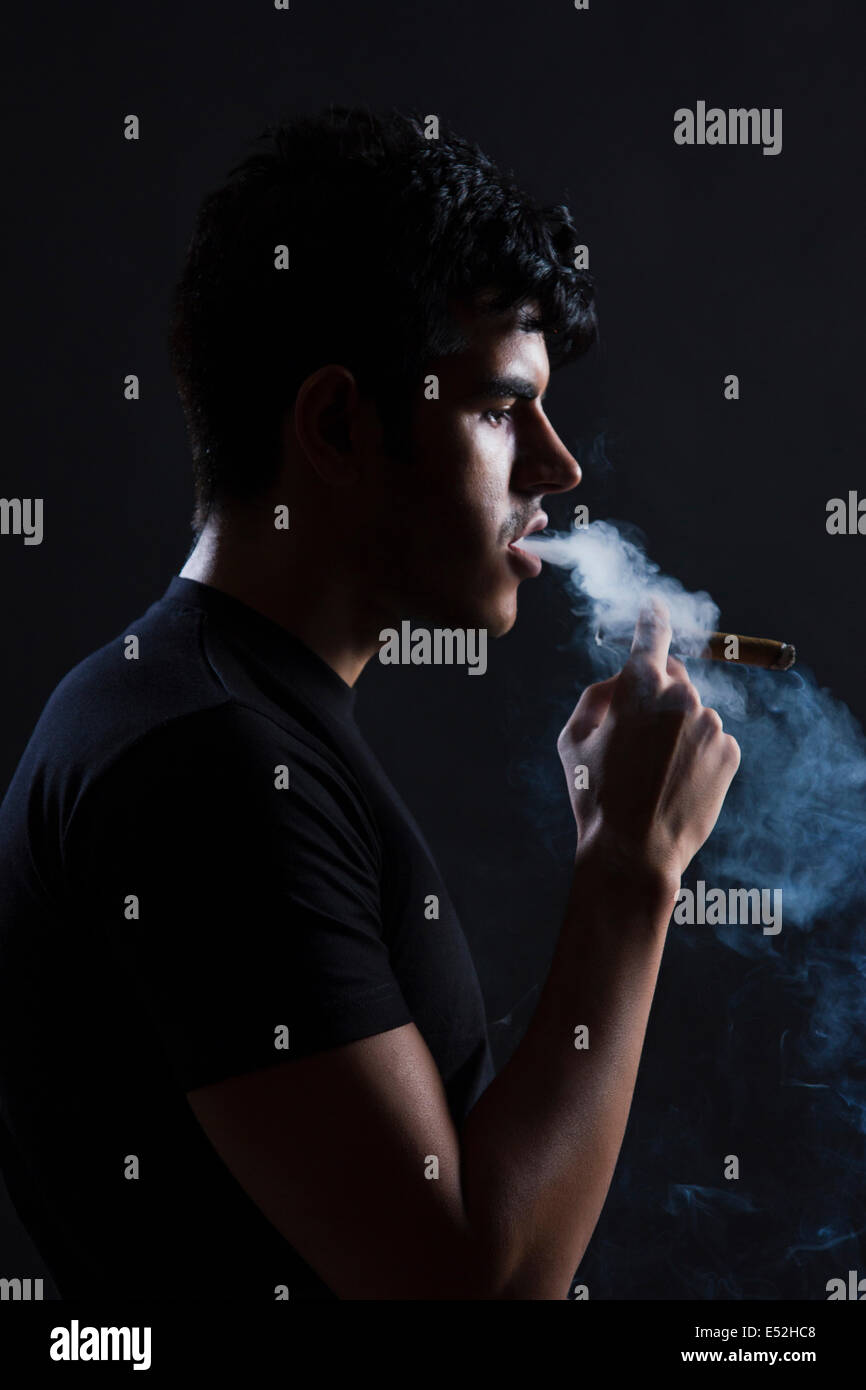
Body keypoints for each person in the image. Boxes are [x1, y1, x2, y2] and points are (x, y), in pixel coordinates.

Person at [0, 106, 739, 1300]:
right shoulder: (212, 768)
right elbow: (465, 1292)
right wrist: (628, 873)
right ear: (340, 423)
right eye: (499, 411)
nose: (555, 468)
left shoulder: (213, 717)